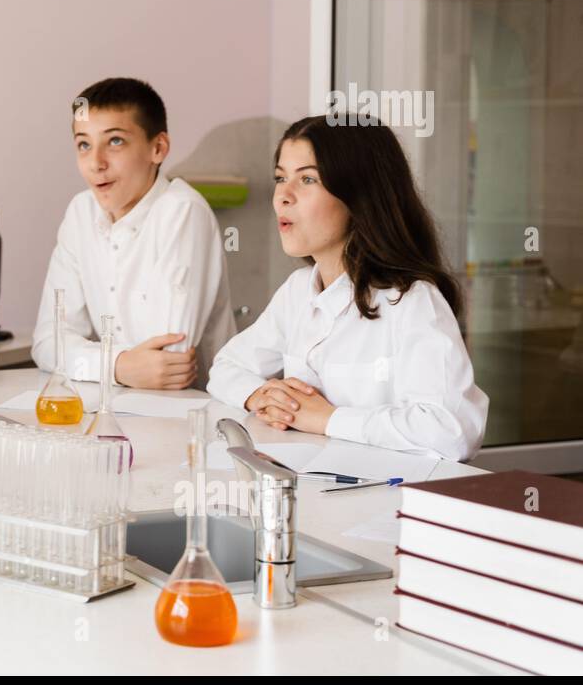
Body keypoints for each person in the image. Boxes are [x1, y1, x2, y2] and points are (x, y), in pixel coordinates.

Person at [206, 115, 488, 462]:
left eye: (307, 179)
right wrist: (260, 395)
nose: (282, 197)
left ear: (359, 195)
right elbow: (225, 367)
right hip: (312, 491)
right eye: (281, 178)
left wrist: (329, 419)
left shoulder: (412, 301)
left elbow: (452, 433)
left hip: (385, 505)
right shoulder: (299, 291)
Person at [32, 77, 234, 389]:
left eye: (114, 142)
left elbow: (168, 363)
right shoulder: (81, 212)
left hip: (191, 414)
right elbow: (47, 342)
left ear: (158, 148)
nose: (96, 163)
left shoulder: (182, 211)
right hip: (122, 407)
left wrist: (92, 361)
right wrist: (118, 366)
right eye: (84, 144)